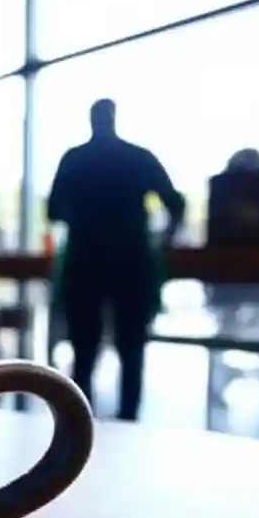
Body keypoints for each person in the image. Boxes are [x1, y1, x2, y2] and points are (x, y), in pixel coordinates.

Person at [48, 98, 185, 421]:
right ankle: (128, 422)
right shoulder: (137, 157)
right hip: (132, 260)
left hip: (85, 260)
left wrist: (85, 218)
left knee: (84, 352)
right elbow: (175, 203)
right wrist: (164, 241)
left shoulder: (75, 159)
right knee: (132, 350)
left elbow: (53, 210)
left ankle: (78, 427)